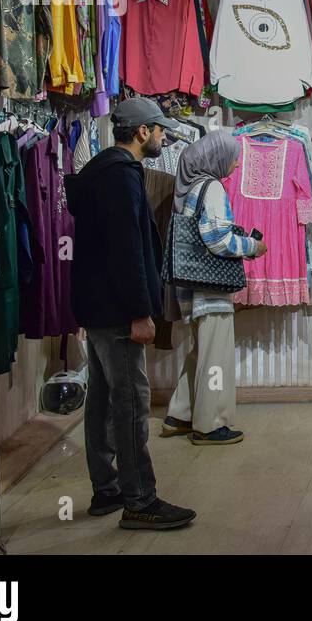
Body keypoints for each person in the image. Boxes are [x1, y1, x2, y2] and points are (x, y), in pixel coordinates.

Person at [65, 96, 196, 530]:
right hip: (119, 312)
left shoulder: (99, 171)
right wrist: (142, 312)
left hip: (98, 308)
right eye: (160, 130)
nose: (163, 137)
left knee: (102, 401)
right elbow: (127, 251)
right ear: (142, 132)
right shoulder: (121, 177)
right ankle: (140, 500)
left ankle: (108, 489)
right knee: (132, 404)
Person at [161, 129, 266, 445]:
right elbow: (218, 239)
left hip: (192, 289)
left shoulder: (191, 187)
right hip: (212, 290)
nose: (236, 164)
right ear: (217, 158)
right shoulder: (213, 189)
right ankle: (210, 425)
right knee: (216, 357)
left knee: (201, 353)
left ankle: (180, 414)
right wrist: (252, 246)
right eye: (233, 157)